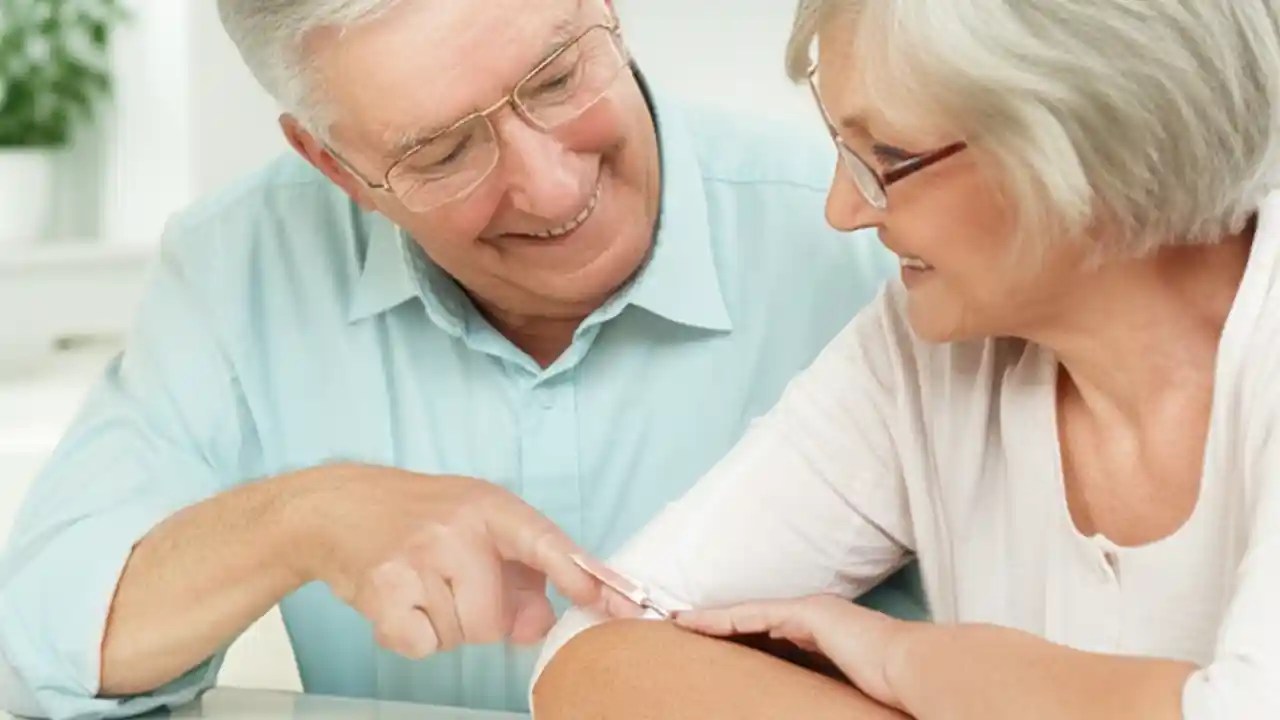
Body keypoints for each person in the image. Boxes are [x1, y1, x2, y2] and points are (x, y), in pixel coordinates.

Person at [0, 0, 923, 718]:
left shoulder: (874, 242)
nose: (551, 187)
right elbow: (37, 644)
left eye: (557, 78)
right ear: (332, 165)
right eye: (442, 152)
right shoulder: (238, 266)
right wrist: (309, 515)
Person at [532, 0, 1280, 718]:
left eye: (886, 157)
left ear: (1099, 141)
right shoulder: (921, 354)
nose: (843, 210)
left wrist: (912, 664)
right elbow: (595, 646)